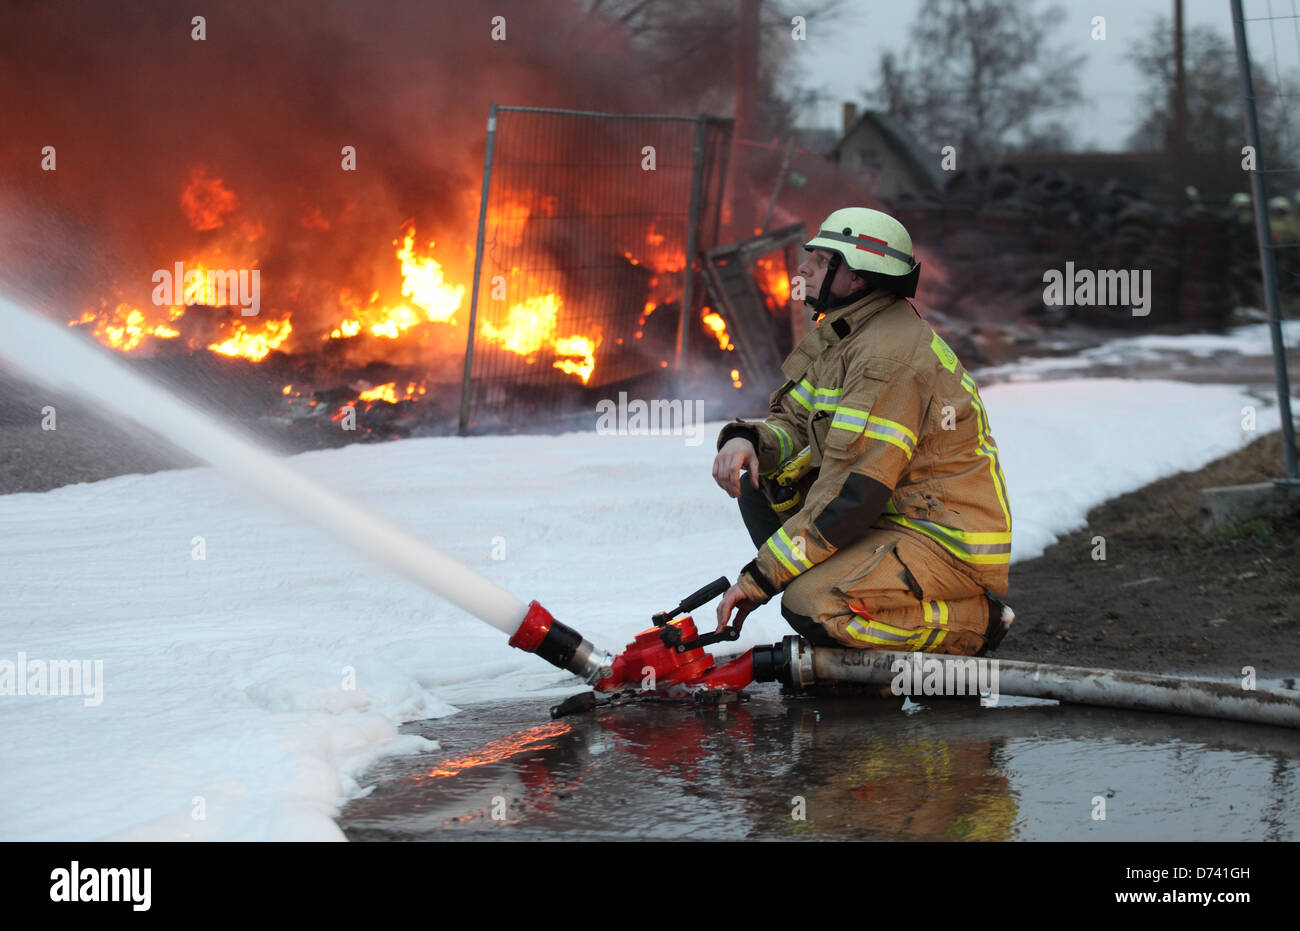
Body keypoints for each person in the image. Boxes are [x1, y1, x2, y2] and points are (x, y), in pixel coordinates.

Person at [710, 207, 1014, 656]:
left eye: (818, 260)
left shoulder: (885, 359)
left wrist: (760, 579)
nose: (803, 268)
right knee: (760, 478)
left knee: (808, 605)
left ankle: (973, 625)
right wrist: (747, 441)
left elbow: (852, 492)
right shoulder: (848, 335)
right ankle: (849, 632)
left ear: (857, 277)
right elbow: (796, 421)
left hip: (941, 537)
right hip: (889, 518)